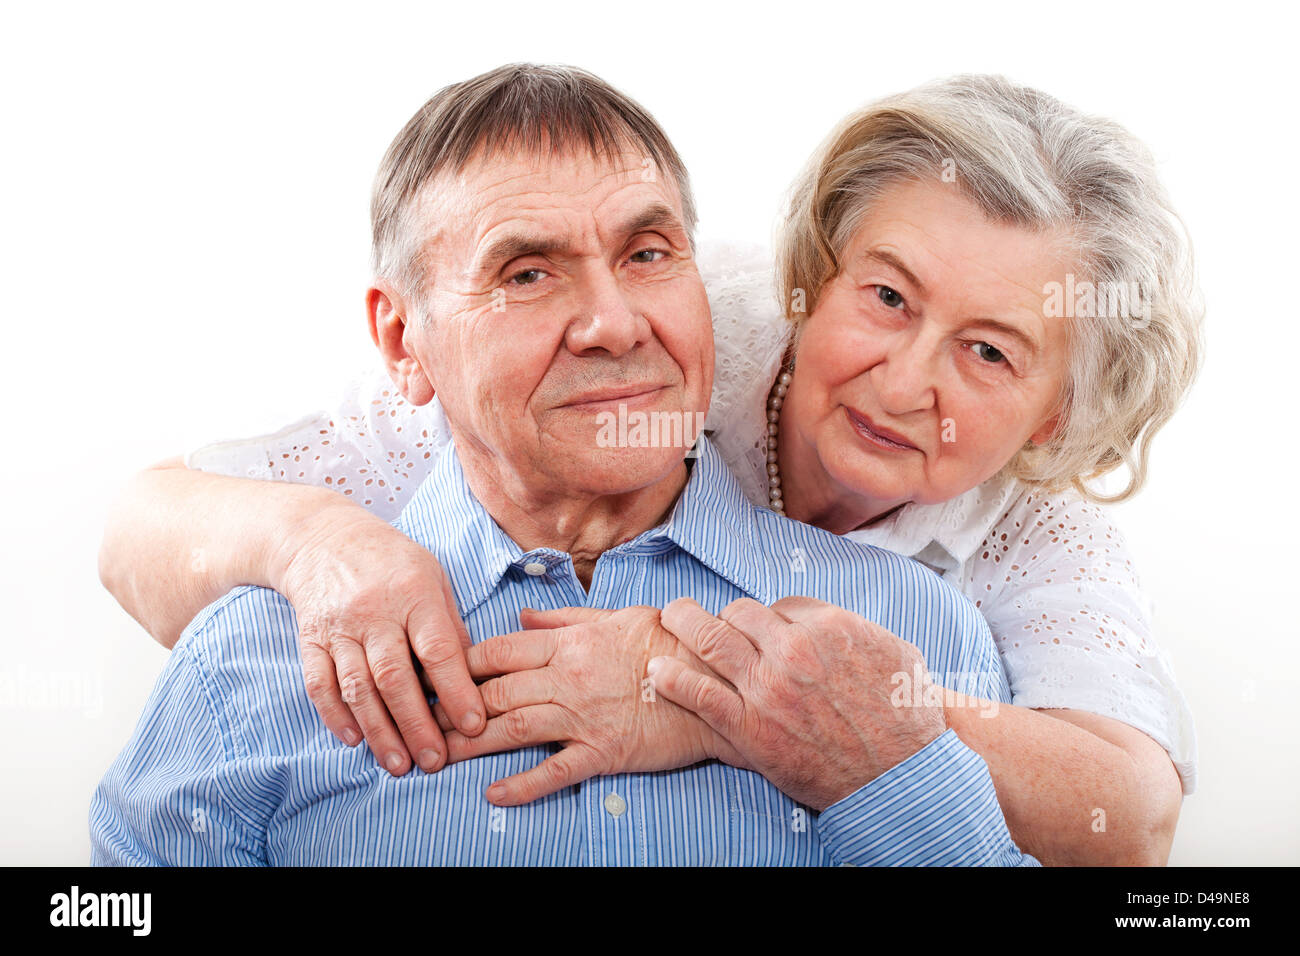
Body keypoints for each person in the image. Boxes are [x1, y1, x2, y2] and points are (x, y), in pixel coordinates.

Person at [99, 67, 1202, 865]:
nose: (612, 322)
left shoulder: (941, 626)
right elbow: (143, 525)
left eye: (990, 348)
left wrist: (758, 696)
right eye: (527, 272)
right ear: (809, 280)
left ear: (1056, 417)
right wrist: (316, 541)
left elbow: (1132, 818)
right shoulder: (258, 650)